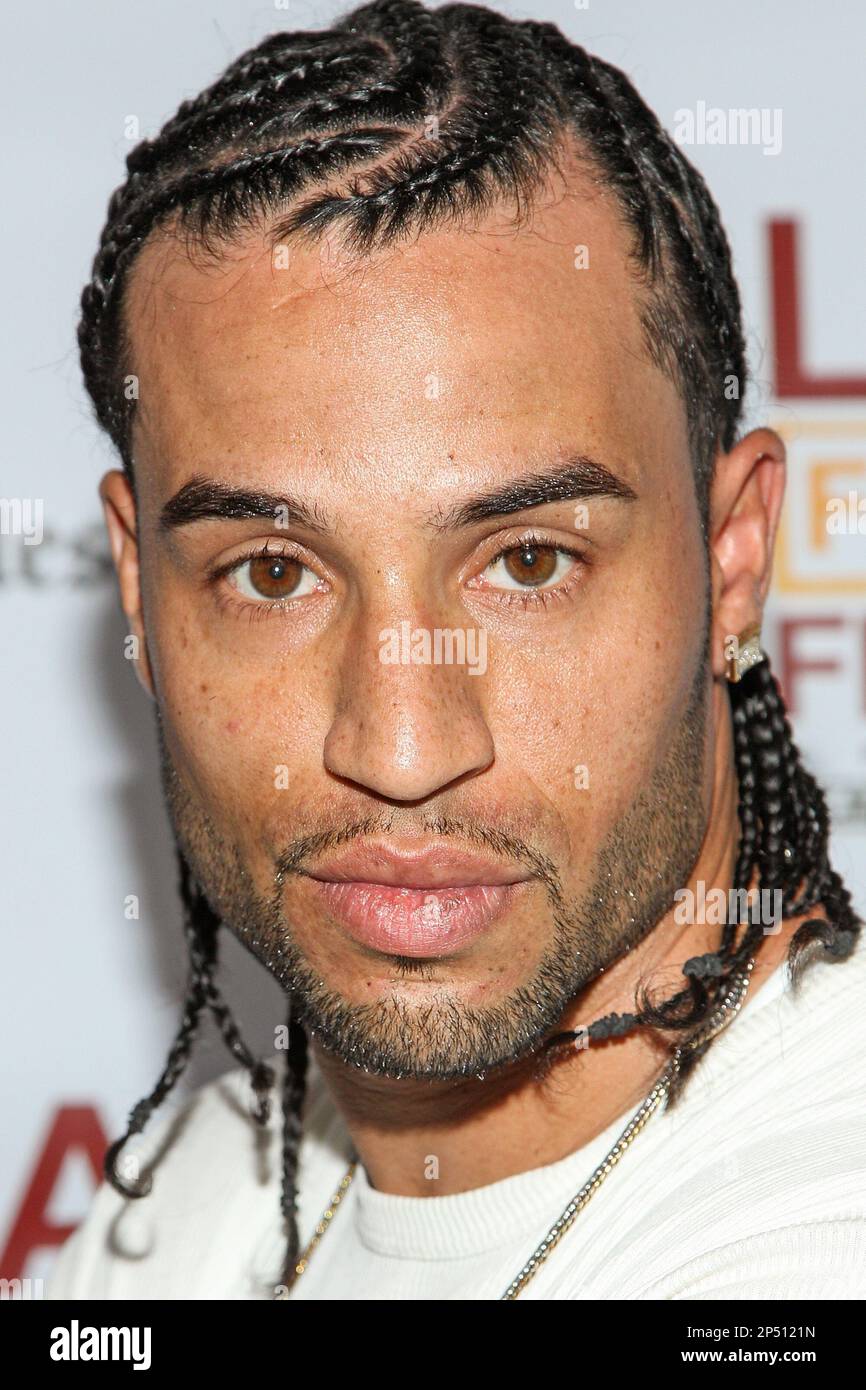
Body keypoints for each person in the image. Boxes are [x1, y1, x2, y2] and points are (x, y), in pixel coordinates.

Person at [48, 0, 865, 1300]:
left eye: (527, 562)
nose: (404, 748)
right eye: (273, 573)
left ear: (730, 564)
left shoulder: (821, 1226)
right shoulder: (185, 1205)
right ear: (140, 595)